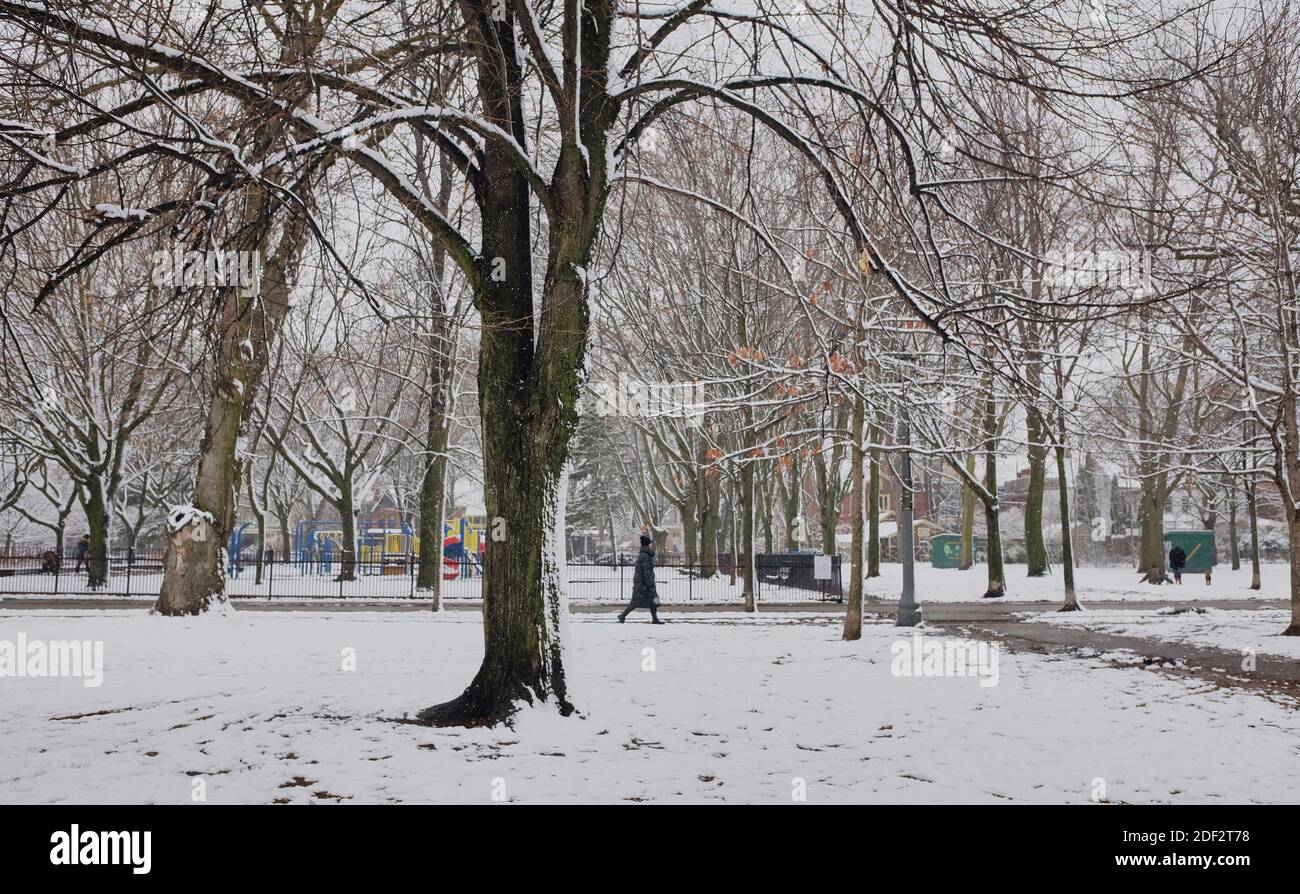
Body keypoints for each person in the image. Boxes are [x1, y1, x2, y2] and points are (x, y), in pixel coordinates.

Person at [618, 533, 664, 624]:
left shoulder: (644, 555)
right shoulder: (645, 556)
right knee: (635, 602)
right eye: (649, 544)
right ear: (647, 545)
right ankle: (622, 615)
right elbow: (646, 572)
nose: (650, 546)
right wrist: (649, 584)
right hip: (643, 585)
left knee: (652, 602)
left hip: (643, 583)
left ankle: (655, 619)